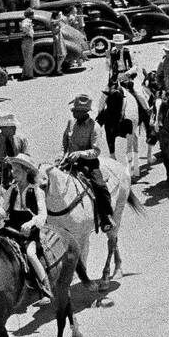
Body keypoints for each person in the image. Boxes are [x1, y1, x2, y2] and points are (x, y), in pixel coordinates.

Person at [0, 153, 54, 302]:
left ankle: (45, 288)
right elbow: (5, 208)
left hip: (28, 231)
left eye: (17, 171)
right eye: (12, 170)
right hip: (10, 228)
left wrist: (31, 223)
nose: (13, 173)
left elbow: (42, 215)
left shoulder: (36, 191)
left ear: (26, 172)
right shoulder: (11, 190)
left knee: (31, 253)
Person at [60, 95, 114, 233]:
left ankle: (106, 216)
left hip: (88, 163)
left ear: (84, 112)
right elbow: (65, 143)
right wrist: (62, 156)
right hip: (69, 161)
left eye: (76, 110)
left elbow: (96, 151)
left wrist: (80, 154)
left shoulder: (94, 127)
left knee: (100, 186)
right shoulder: (70, 123)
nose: (72, 112)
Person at [0, 114, 29, 185]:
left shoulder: (22, 140)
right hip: (0, 176)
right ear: (2, 128)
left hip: (20, 175)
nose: (15, 128)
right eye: (11, 126)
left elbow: (27, 159)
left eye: (14, 126)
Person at [19, 8, 37, 80]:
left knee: (28, 58)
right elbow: (24, 27)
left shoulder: (29, 21)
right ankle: (28, 75)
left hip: (29, 40)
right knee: (28, 58)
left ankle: (26, 74)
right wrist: (28, 32)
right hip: (27, 40)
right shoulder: (26, 21)